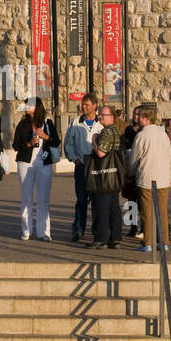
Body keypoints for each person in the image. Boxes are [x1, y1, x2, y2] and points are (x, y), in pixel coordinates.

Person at [12, 98, 61, 241]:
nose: (25, 106)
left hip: (44, 164)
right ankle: (26, 231)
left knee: (43, 199)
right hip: (25, 163)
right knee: (27, 198)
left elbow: (56, 141)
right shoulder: (22, 124)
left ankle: (44, 232)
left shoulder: (48, 123)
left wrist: (45, 136)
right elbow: (16, 145)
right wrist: (29, 143)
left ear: (37, 107)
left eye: (29, 104)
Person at [129, 105, 171, 251]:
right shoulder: (163, 134)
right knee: (162, 211)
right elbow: (170, 156)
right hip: (164, 177)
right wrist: (170, 174)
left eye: (140, 116)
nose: (137, 119)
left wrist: (129, 172)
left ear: (146, 119)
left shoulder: (141, 135)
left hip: (147, 177)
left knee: (147, 212)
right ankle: (164, 241)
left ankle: (148, 242)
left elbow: (134, 158)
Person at [62, 93, 101, 242]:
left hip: (97, 167)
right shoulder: (76, 122)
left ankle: (98, 231)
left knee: (97, 200)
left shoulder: (101, 123)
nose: (83, 107)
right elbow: (68, 143)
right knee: (81, 199)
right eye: (82, 104)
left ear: (94, 105)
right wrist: (74, 159)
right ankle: (78, 229)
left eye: (87, 104)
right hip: (82, 166)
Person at [87, 104, 123, 248]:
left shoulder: (107, 132)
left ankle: (101, 238)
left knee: (101, 207)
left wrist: (94, 139)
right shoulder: (116, 131)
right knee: (113, 207)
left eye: (103, 114)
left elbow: (101, 153)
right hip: (113, 175)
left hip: (103, 176)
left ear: (112, 117)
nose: (100, 116)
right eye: (100, 114)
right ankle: (115, 238)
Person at [121, 107, 144, 237]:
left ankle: (144, 227)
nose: (136, 117)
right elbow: (124, 144)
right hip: (130, 167)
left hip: (141, 169)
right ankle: (132, 226)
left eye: (138, 114)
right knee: (131, 200)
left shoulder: (144, 130)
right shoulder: (129, 130)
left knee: (142, 200)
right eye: (134, 114)